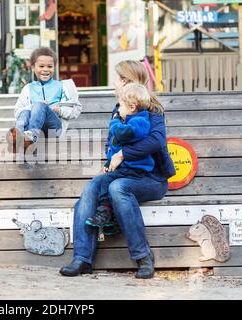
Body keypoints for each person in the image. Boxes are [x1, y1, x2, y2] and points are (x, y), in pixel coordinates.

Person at [60, 60, 176, 279]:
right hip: (124, 173)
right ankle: (82, 259)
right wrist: (109, 162)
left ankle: (143, 257)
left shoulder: (152, 109)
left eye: (115, 79)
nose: (113, 84)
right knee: (94, 186)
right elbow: (111, 144)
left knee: (118, 188)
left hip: (151, 178)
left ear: (124, 81)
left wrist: (123, 155)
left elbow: (157, 141)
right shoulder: (119, 108)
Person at [85, 83, 154, 228]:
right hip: (126, 166)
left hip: (135, 169)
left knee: (107, 181)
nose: (118, 110)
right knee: (106, 180)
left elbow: (121, 134)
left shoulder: (140, 122)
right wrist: (108, 163)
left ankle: (104, 210)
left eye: (120, 106)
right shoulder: (131, 121)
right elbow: (117, 148)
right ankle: (114, 220)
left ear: (132, 107)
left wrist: (115, 121)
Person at [6, 47, 82, 152]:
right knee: (25, 111)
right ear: (33, 67)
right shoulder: (28, 88)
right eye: (41, 66)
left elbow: (75, 110)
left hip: (54, 129)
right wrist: (32, 107)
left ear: (54, 67)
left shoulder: (61, 86)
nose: (45, 69)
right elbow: (17, 111)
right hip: (34, 126)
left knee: (40, 105)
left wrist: (58, 110)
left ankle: (30, 138)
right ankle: (18, 137)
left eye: (49, 66)